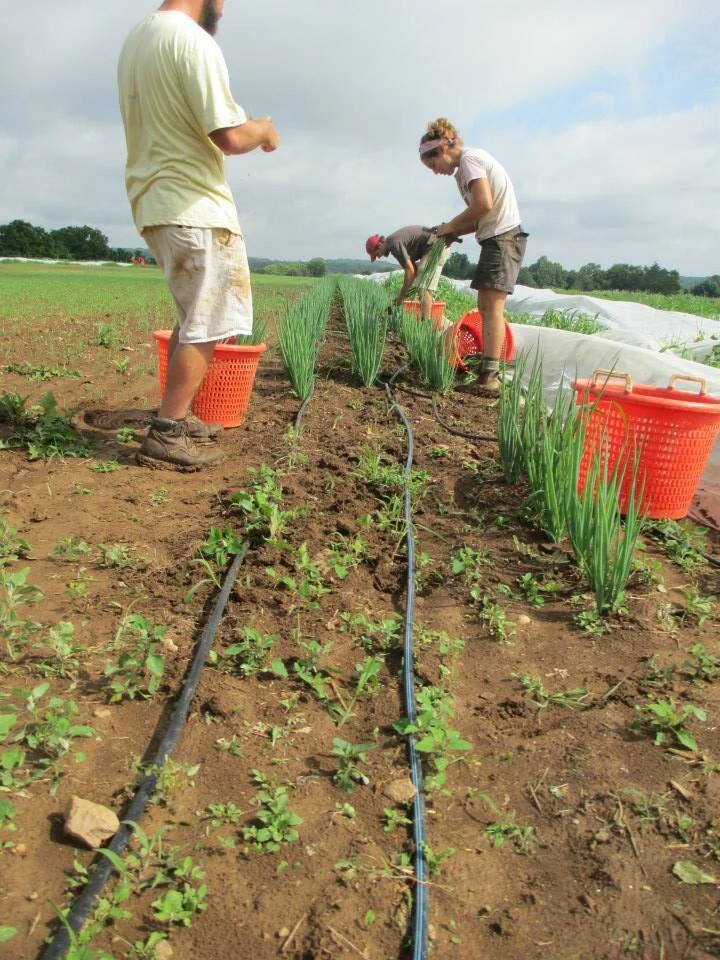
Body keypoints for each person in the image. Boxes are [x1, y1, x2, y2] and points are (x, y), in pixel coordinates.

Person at [117, 0, 279, 470]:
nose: (223, 7)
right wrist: (265, 131)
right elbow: (229, 135)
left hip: (155, 198)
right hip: (192, 202)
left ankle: (178, 418)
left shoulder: (139, 39)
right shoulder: (191, 40)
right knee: (209, 318)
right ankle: (168, 432)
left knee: (196, 316)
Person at [419, 118, 528, 395]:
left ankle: (489, 377)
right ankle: (487, 371)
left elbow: (484, 204)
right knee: (486, 306)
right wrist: (451, 231)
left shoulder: (470, 159)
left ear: (442, 151)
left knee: (491, 309)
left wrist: (451, 226)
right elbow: (479, 216)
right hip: (495, 237)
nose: (435, 172)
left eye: (432, 165)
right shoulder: (462, 171)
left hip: (503, 239)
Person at [365, 226, 451, 321]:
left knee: (423, 288)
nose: (379, 257)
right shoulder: (393, 242)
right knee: (420, 284)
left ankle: (425, 324)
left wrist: (401, 297)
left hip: (436, 248)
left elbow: (410, 271)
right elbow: (413, 269)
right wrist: (402, 294)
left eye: (376, 254)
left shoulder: (394, 244)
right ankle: (426, 317)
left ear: (380, 245)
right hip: (434, 247)